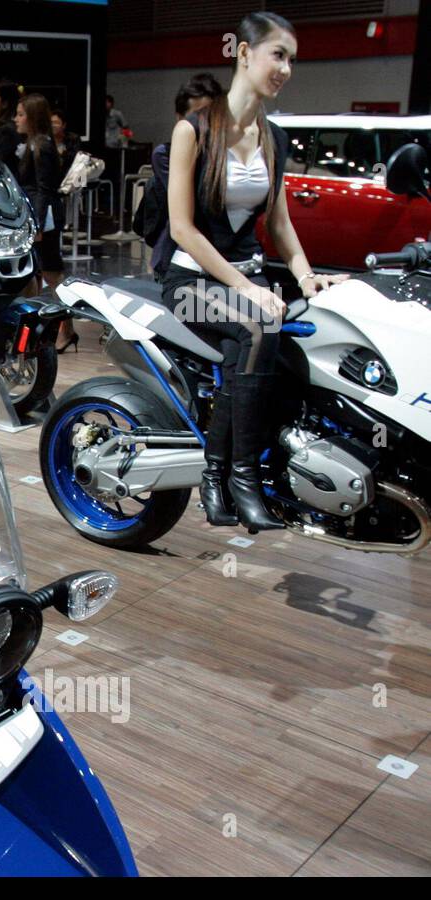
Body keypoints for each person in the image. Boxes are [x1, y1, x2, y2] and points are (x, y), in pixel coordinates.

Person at [163, 13, 346, 533]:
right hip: (190, 284)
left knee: (279, 339)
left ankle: (216, 478)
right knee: (257, 324)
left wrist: (306, 274)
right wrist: (246, 287)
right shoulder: (191, 130)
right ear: (243, 54)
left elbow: (280, 224)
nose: (286, 68)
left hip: (245, 284)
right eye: (277, 54)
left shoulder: (274, 138)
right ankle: (242, 479)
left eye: (292, 59)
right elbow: (181, 230)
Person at [149, 73, 224, 277]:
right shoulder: (165, 154)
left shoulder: (228, 154)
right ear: (180, 118)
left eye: (212, 114)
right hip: (181, 257)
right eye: (198, 115)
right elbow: (200, 203)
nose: (206, 123)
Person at [14, 94, 69, 348]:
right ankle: (39, 327)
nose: (17, 119)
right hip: (36, 215)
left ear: (33, 117)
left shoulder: (41, 145)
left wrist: (36, 224)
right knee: (38, 274)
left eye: (21, 114)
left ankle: (64, 330)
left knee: (51, 274)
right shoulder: (35, 144)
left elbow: (44, 189)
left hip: (42, 218)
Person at [50, 108, 82, 180]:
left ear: (64, 125)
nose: (53, 125)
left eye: (56, 122)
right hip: (51, 179)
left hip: (69, 177)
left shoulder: (73, 139)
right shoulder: (46, 140)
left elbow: (74, 160)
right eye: (51, 123)